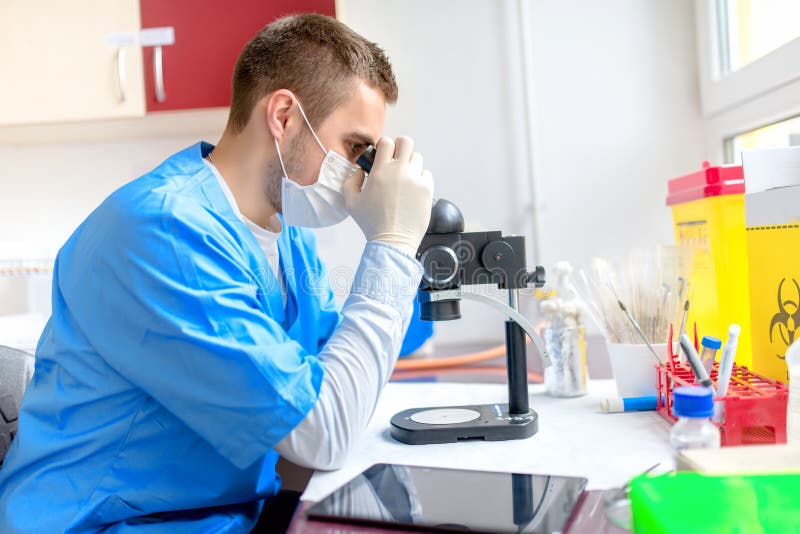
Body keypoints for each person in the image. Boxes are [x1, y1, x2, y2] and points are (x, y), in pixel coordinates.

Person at [0, 14, 433, 533]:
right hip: (105, 524)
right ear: (285, 116)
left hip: (218, 515)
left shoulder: (287, 235)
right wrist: (390, 247)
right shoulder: (163, 232)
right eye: (355, 149)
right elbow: (323, 429)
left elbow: (330, 368)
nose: (360, 172)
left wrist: (411, 259)